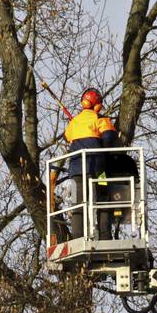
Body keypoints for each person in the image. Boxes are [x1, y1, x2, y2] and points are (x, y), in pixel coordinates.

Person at [62, 88, 117, 238]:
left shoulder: (74, 122)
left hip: (76, 170)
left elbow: (66, 137)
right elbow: (110, 137)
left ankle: (77, 236)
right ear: (97, 105)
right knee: (103, 198)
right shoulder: (100, 119)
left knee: (77, 204)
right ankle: (105, 235)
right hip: (98, 169)